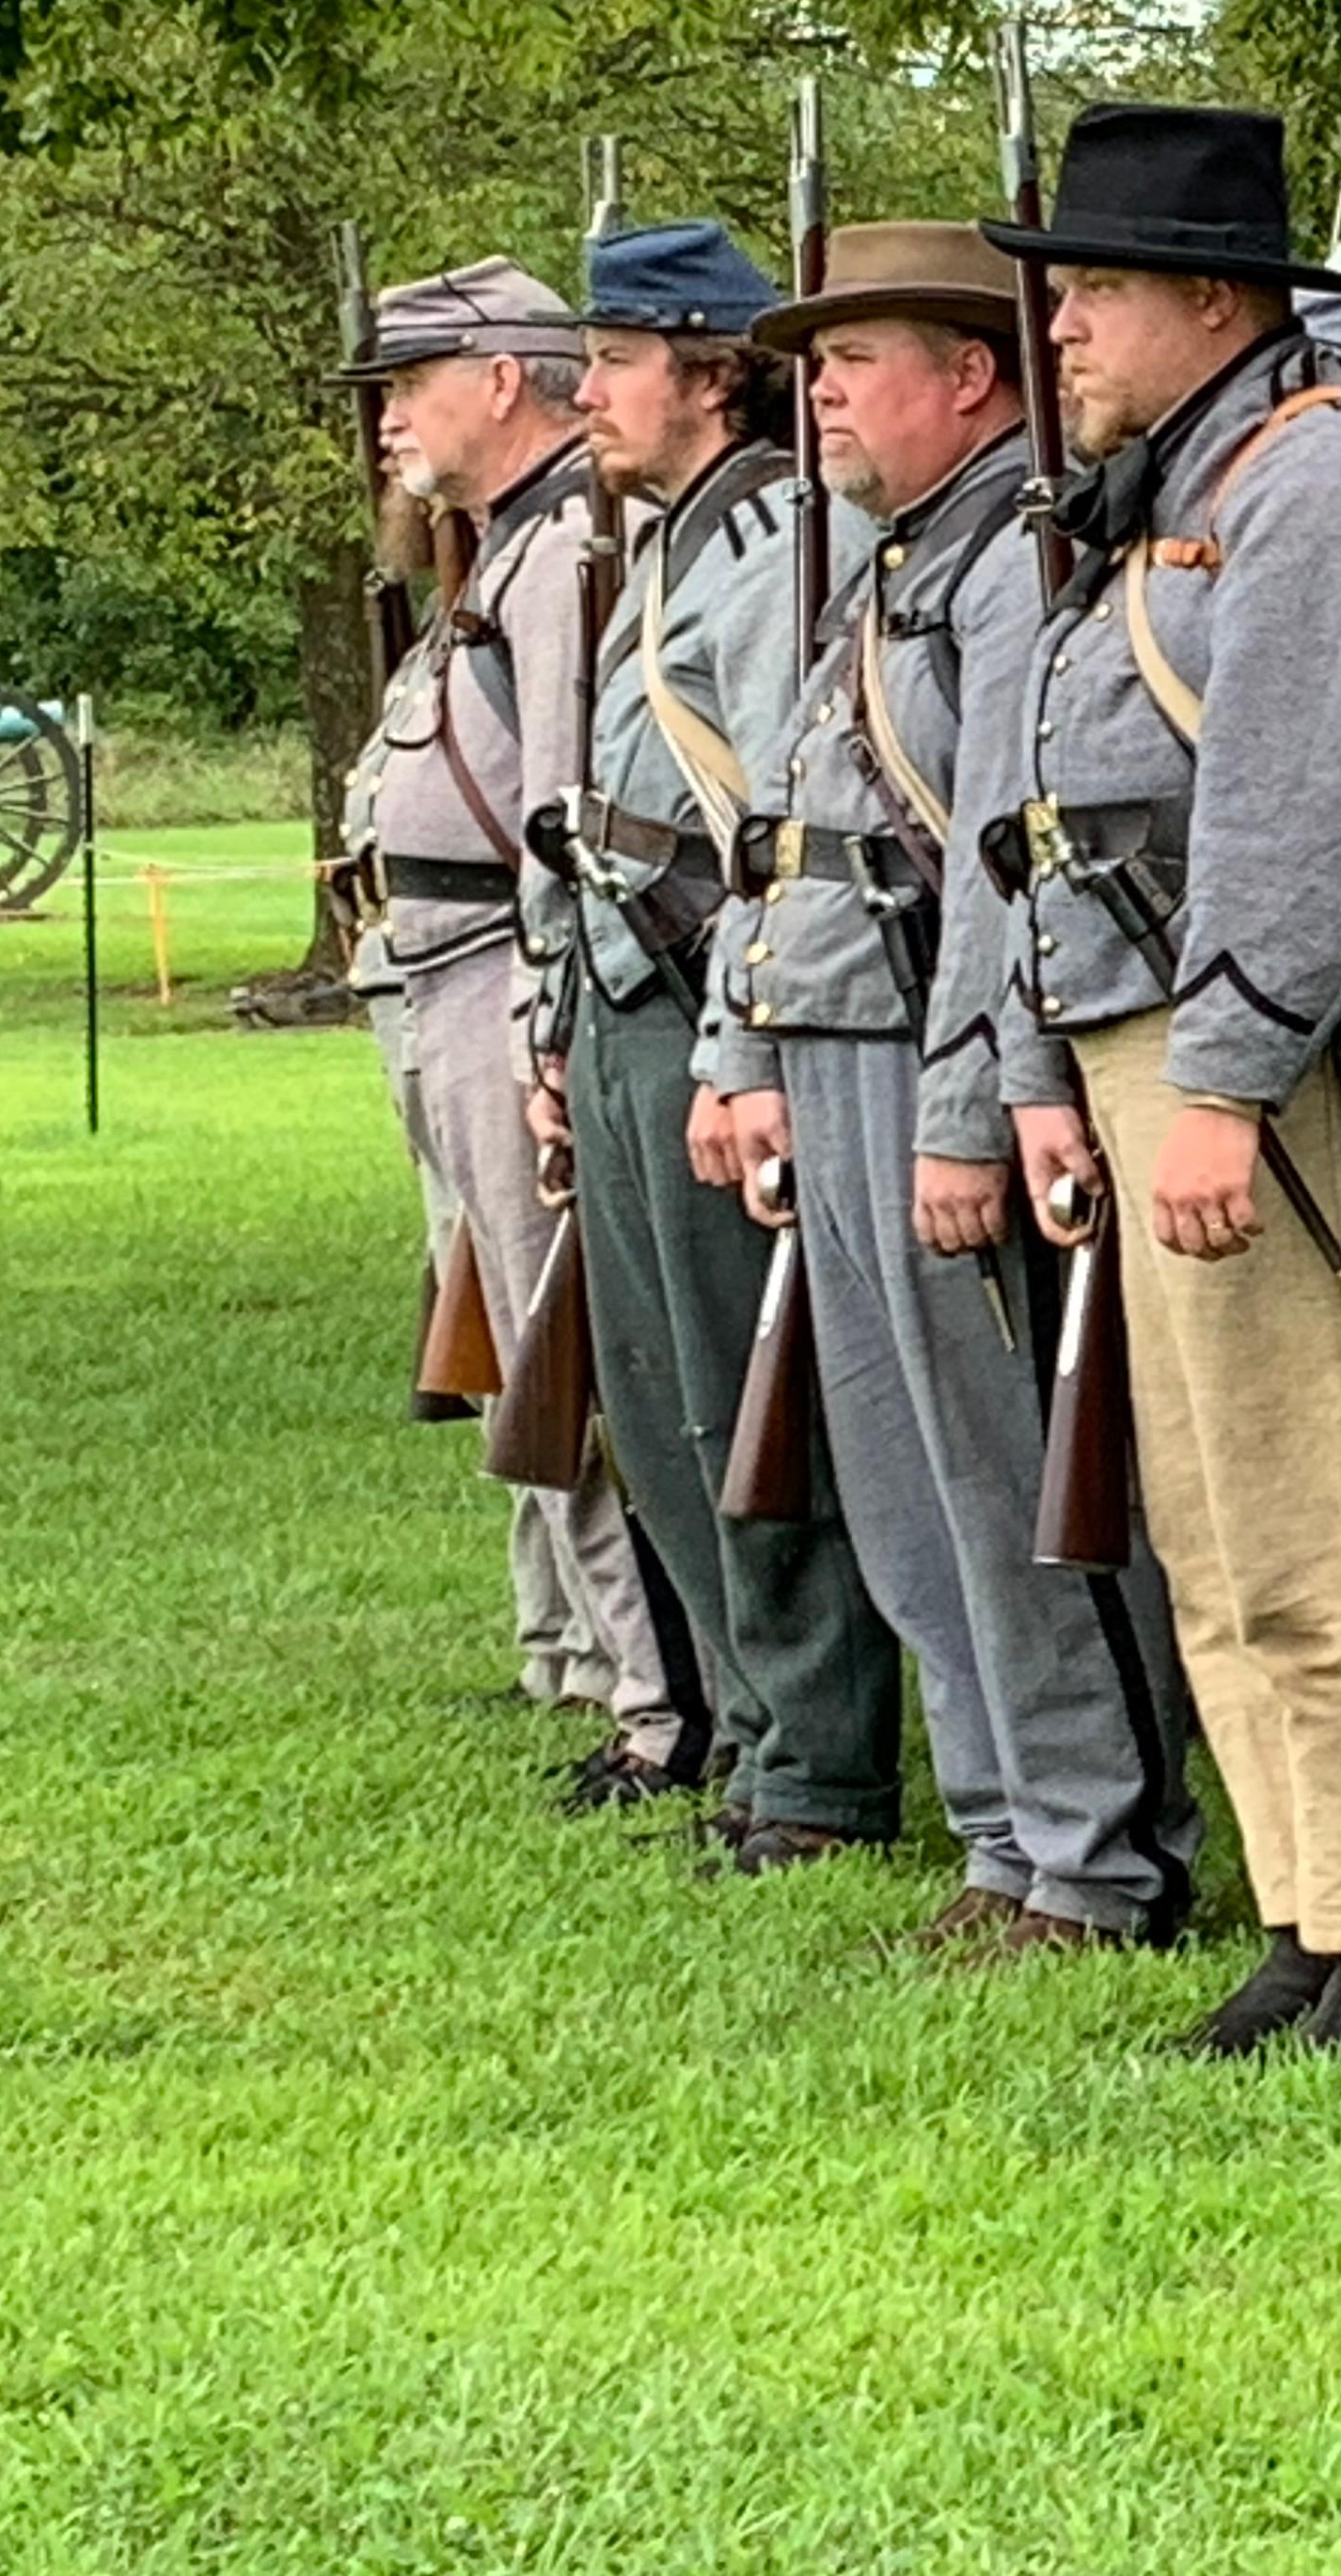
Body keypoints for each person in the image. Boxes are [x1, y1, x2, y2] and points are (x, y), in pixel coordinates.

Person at [979, 102, 1341, 2053]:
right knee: (1225, 1504)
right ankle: (1311, 1904)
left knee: (1332, 1487)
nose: (1067, 337)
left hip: (1265, 1062)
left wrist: (1227, 1071)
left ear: (1213, 298)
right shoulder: (1175, 478)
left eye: (1098, 293)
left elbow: (1304, 801)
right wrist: (1049, 1059)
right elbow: (1054, 801)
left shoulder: (1327, 476)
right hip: (1156, 1039)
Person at [708, 220, 1206, 1952]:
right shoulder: (887, 559)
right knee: (911, 1490)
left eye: (855, 360)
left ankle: (1098, 1848)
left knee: (1012, 1486)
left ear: (968, 378)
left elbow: (1005, 859)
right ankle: (1002, 1826)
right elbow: (789, 825)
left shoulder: (1011, 563)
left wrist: (964, 1113)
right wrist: (747, 1044)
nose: (819, 391)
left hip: (943, 1055)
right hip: (834, 1032)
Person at [539, 218, 898, 1846]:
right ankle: (754, 1735)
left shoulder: (773, 545)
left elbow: (779, 805)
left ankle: (816, 1757)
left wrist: (737, 1040)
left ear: (706, 375)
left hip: (703, 995)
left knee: (751, 1399)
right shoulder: (673, 538)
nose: (586, 390)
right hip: (618, 990)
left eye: (615, 361)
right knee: (665, 1395)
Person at [349, 259, 686, 1779]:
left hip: (505, 967)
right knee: (514, 1330)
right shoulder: (504, 550)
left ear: (500, 378)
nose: (388, 424)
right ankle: (591, 1661)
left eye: (410, 385)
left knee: (562, 1344)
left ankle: (651, 1698)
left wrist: (546, 1012)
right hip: (446, 966)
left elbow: (565, 804)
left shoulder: (561, 557)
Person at [338, 462, 614, 1721]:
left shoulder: (541, 574)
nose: (390, 445)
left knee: (537, 1325)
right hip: (421, 976)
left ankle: (622, 1666)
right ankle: (558, 1639)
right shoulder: (459, 608)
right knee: (486, 1320)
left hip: (491, 967)